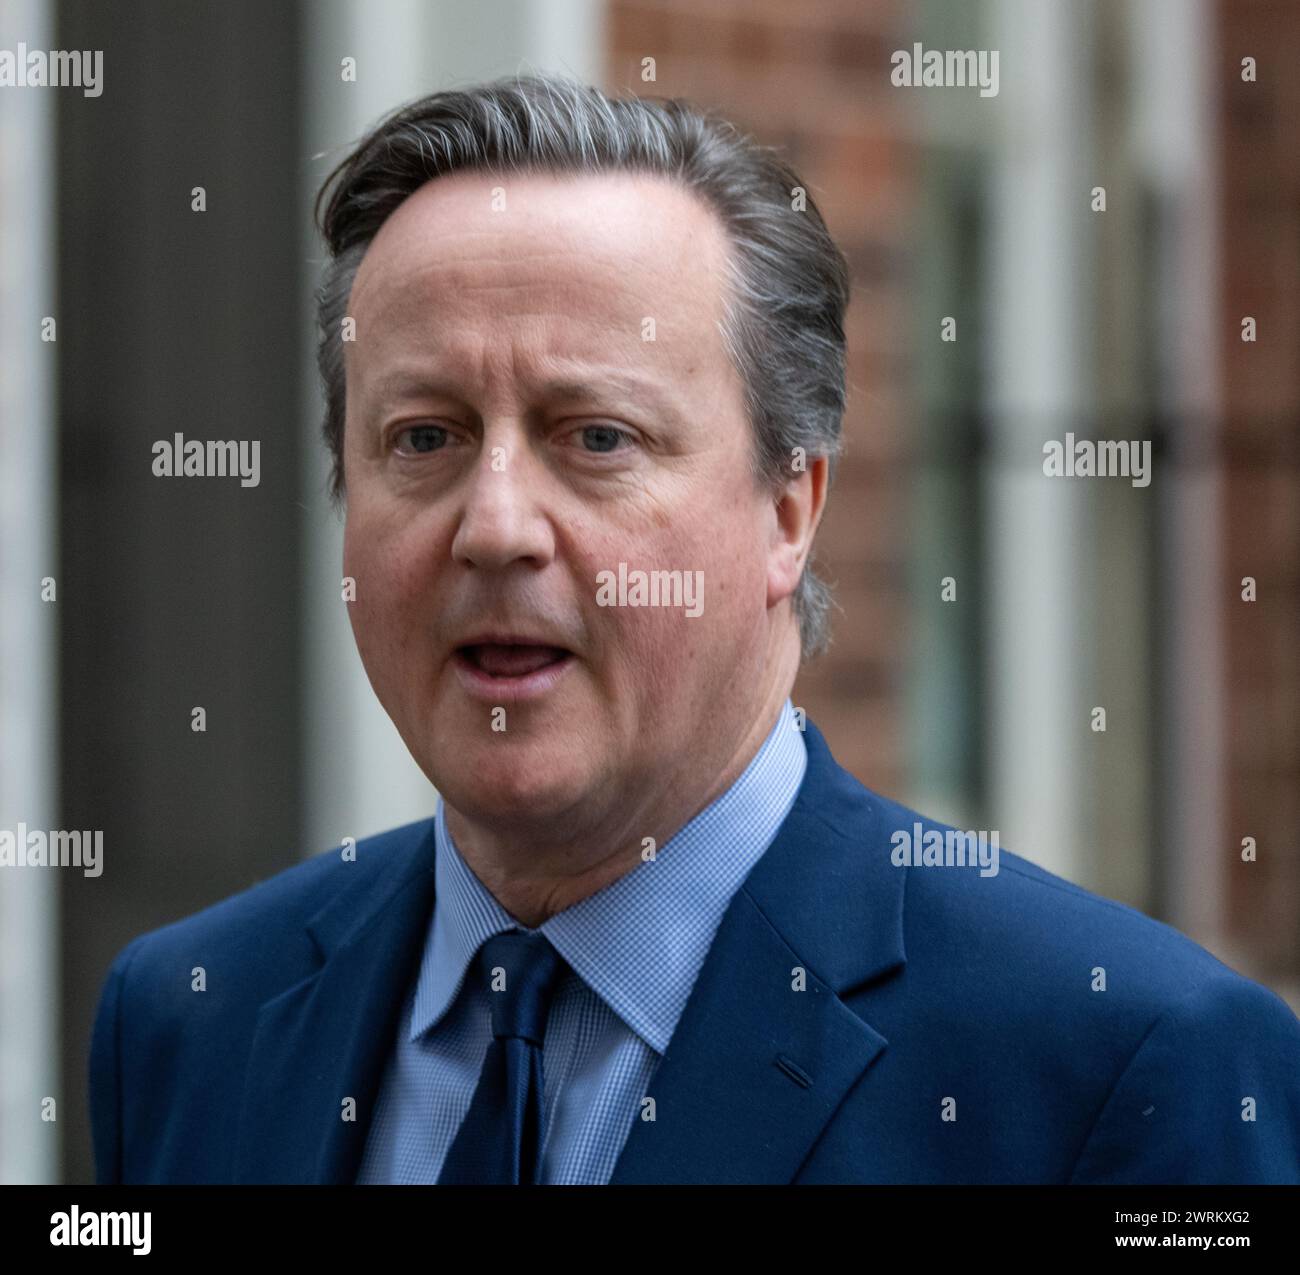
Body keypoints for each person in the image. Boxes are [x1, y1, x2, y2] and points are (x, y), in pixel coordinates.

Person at [89, 74, 1300, 1185]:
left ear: (789, 509)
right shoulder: (191, 1022)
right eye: (424, 438)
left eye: (596, 437)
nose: (496, 526)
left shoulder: (1124, 1069)